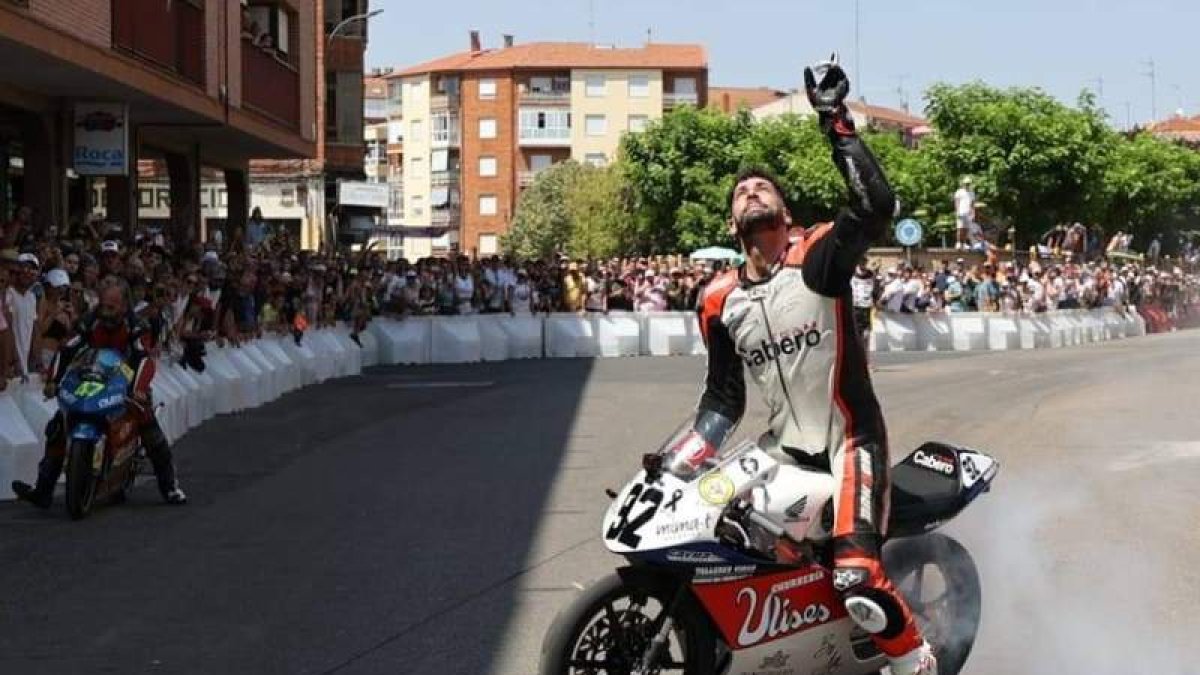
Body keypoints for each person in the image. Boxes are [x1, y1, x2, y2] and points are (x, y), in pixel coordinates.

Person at [675, 56, 935, 675]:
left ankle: (916, 660)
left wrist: (835, 120)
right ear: (732, 222)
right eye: (741, 193)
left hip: (851, 441)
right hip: (783, 447)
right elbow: (721, 402)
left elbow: (875, 205)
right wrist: (675, 464)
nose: (751, 192)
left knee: (856, 576)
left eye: (763, 188)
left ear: (785, 215)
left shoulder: (816, 258)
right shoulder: (717, 299)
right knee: (714, 529)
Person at [12, 278, 187, 507]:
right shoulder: (89, 322)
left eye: (111, 308)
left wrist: (139, 391)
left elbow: (144, 360)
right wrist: (53, 381)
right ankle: (43, 489)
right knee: (58, 427)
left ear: (124, 306)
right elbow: (67, 349)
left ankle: (170, 487)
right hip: (93, 382)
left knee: (150, 430)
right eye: (102, 306)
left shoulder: (137, 326)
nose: (105, 313)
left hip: (128, 387)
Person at [953, 177, 975, 251]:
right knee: (960, 228)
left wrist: (973, 213)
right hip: (961, 212)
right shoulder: (959, 191)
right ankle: (958, 242)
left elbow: (972, 204)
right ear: (963, 184)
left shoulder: (972, 193)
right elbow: (956, 202)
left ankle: (964, 243)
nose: (967, 185)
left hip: (968, 213)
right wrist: (957, 211)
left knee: (966, 229)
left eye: (968, 184)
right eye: (966, 184)